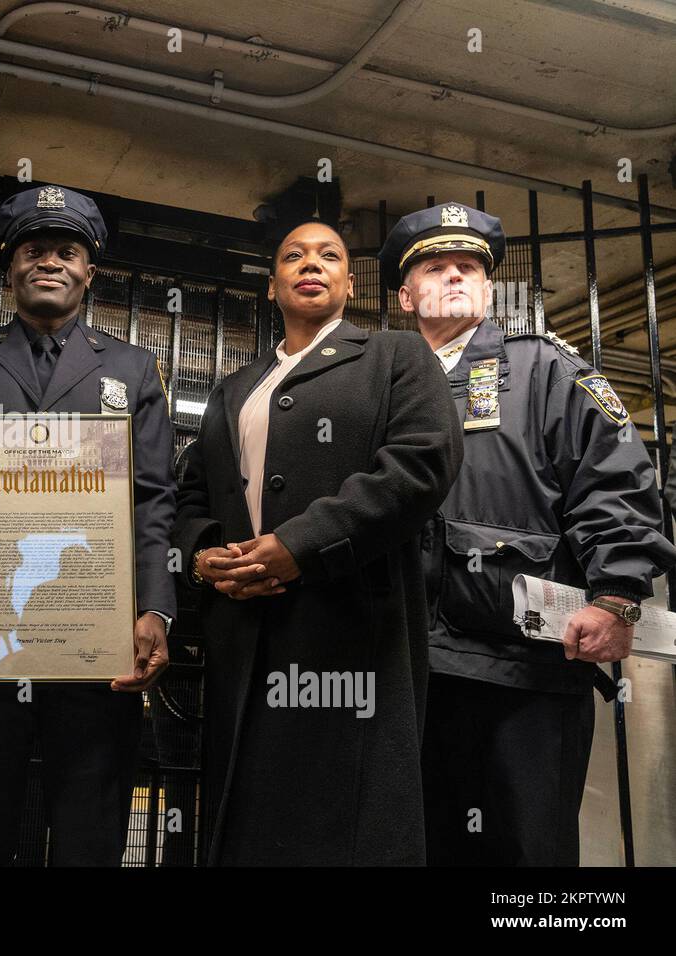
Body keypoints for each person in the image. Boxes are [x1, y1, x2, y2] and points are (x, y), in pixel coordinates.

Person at [382, 201, 676, 866]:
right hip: (407, 672)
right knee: (415, 844)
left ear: (489, 290)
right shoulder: (379, 386)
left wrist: (617, 595)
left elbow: (616, 480)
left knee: (524, 850)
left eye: (468, 267)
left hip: (521, 669)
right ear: (405, 296)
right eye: (435, 267)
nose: (454, 276)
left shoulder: (545, 370)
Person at [0, 184, 176, 866]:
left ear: (89, 270)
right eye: (33, 249)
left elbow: (153, 498)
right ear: (10, 267)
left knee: (89, 827)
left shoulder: (133, 371)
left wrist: (156, 612)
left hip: (97, 643)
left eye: (67, 250)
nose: (50, 261)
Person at [173, 219, 462, 865]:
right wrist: (204, 552)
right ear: (274, 284)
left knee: (346, 823)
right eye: (293, 256)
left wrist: (300, 545)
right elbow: (191, 492)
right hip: (244, 632)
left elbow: (421, 465)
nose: (311, 263)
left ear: (348, 282)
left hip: (351, 628)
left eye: (328, 255)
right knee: (250, 822)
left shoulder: (395, 356)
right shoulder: (234, 388)